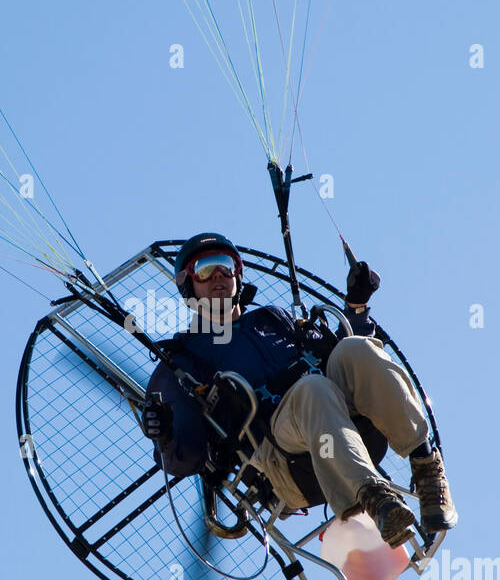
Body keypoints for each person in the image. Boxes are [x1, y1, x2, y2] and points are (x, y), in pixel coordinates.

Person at [142, 232, 457, 548]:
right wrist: (164, 434)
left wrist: (357, 308)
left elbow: (337, 358)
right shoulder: (184, 358)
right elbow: (187, 459)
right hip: (288, 462)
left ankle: (427, 468)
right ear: (187, 283)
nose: (219, 277)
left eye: (226, 266)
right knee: (312, 389)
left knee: (355, 349)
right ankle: (375, 498)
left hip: (352, 430)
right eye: (207, 269)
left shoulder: (271, 318)